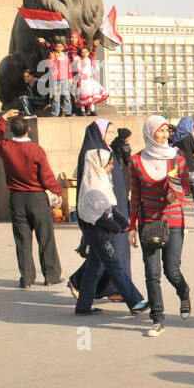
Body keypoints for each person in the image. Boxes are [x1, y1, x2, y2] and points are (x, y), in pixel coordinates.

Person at [72, 120, 146, 316]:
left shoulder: (99, 180)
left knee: (93, 268)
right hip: (99, 233)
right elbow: (97, 215)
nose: (111, 168)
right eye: (109, 165)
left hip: (99, 232)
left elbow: (109, 208)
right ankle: (135, 302)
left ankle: (83, 305)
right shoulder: (92, 187)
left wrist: (123, 221)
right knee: (114, 266)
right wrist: (116, 226)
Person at [127, 116, 192, 337]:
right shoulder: (136, 161)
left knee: (171, 270)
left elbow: (186, 186)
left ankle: (184, 291)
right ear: (149, 133)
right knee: (152, 273)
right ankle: (157, 319)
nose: (164, 135)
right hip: (149, 223)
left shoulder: (176, 157)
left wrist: (177, 194)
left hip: (173, 220)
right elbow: (135, 196)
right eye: (160, 131)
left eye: (166, 131)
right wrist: (131, 226)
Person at [0, 109, 63, 287]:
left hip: (17, 198)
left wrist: (3, 118)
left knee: (22, 240)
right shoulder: (35, 150)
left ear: (11, 131)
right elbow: (46, 175)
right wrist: (56, 192)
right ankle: (51, 275)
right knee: (45, 237)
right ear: (28, 129)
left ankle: (27, 278)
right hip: (37, 197)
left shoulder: (6, 148)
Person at [171, 117, 194, 233]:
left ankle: (182, 226)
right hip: (192, 169)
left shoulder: (175, 139)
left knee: (180, 199)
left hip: (180, 170)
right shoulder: (188, 137)